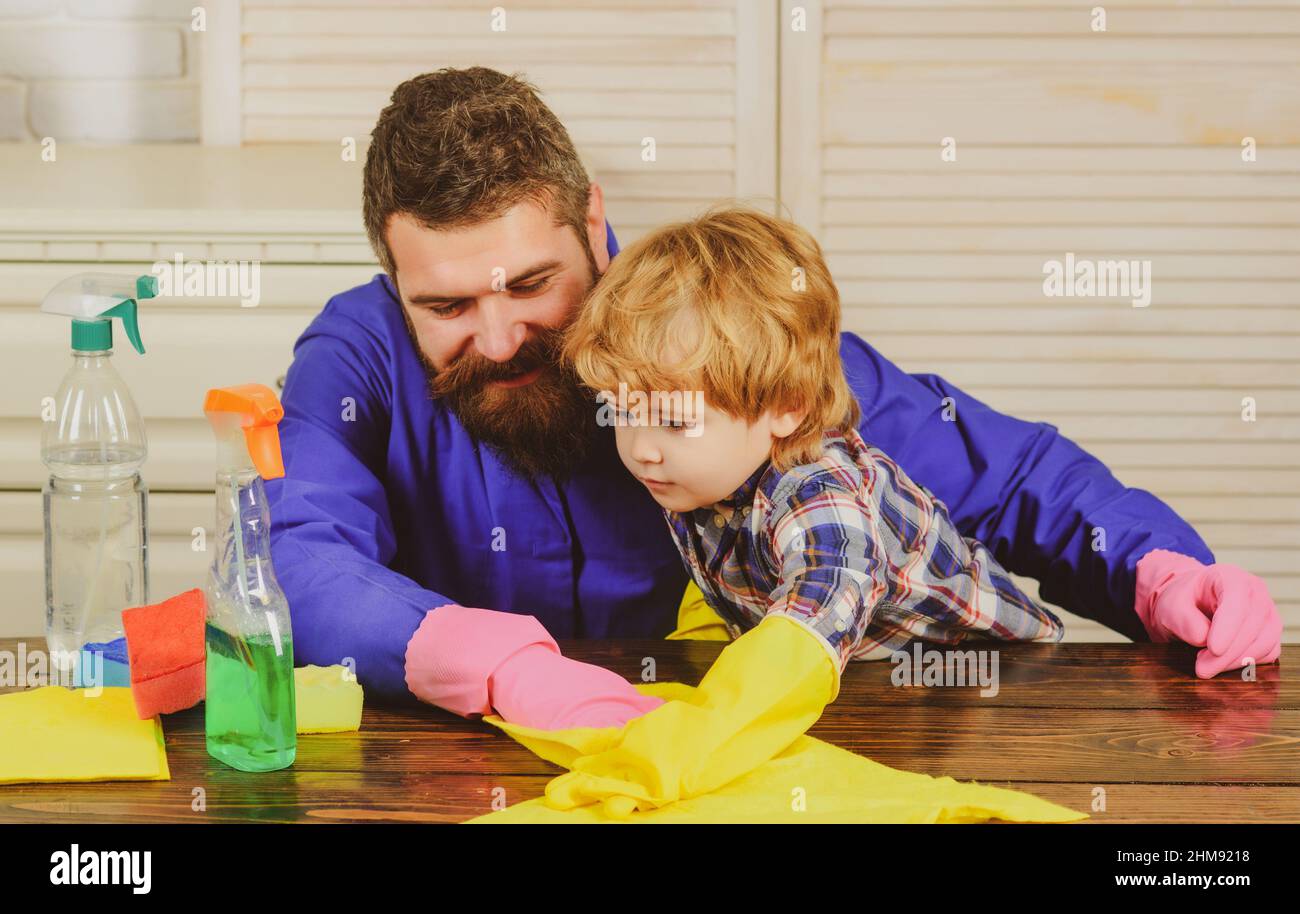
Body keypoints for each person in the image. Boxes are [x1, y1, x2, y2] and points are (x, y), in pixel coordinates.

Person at [266, 67, 1281, 730]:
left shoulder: (703, 312)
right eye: (444, 302)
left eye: (533, 286)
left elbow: (998, 474)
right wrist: (481, 661)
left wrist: (1156, 565)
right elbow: (296, 551)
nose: (496, 337)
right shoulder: (353, 351)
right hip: (461, 764)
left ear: (593, 223)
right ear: (391, 278)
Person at [562, 205, 1070, 670]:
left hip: (999, 679)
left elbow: (815, 621)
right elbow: (730, 581)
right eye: (623, 412)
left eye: (675, 422)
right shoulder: (701, 475)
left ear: (785, 406)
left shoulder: (820, 494)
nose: (640, 450)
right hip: (876, 685)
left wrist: (712, 724)